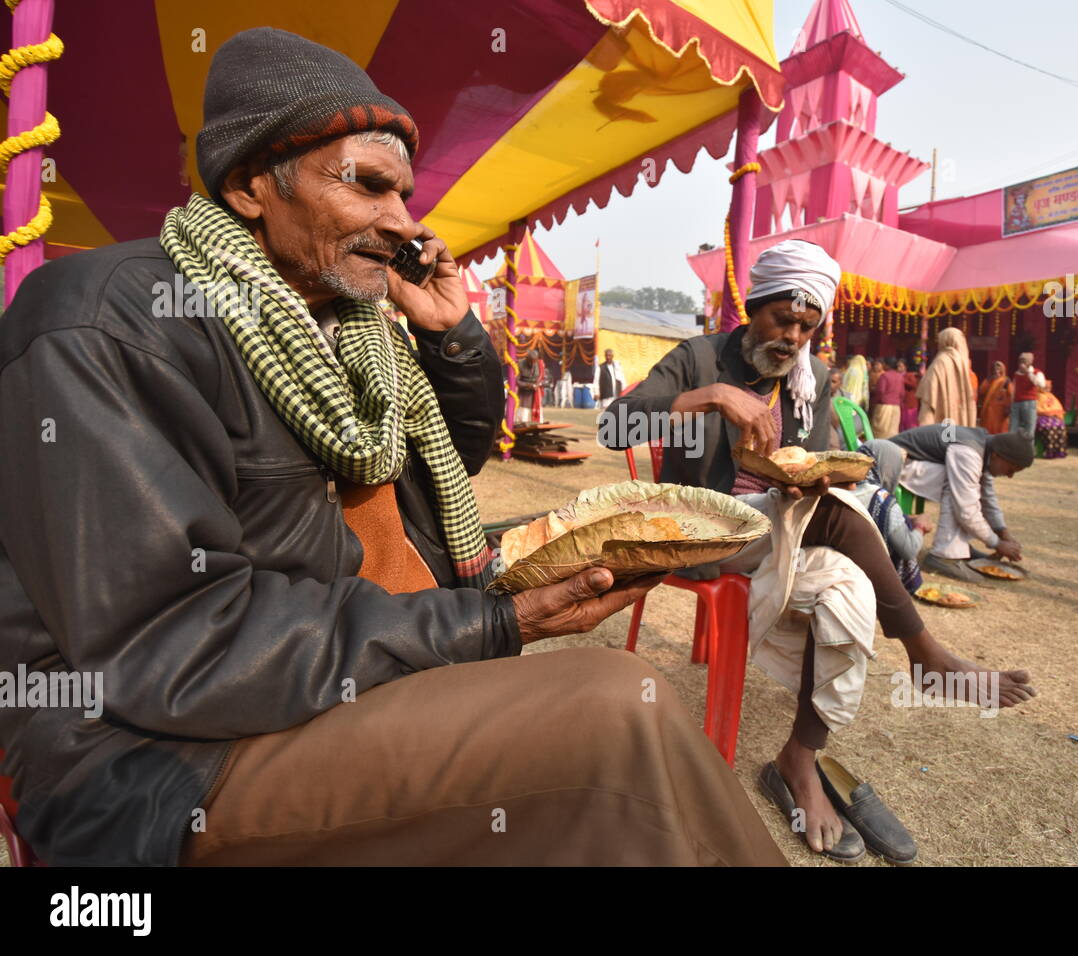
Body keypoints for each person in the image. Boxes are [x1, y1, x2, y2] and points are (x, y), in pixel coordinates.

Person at [0, 27, 788, 867]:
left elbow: (458, 455)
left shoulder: (348, 331)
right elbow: (173, 639)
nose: (402, 223)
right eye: (368, 188)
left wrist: (450, 337)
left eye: (404, 195)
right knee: (613, 711)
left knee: (635, 768)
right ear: (248, 186)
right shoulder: (105, 323)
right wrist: (487, 622)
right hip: (162, 760)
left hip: (330, 674)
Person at [605, 240, 1036, 865]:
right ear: (753, 306)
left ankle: (797, 761)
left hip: (788, 531)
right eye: (783, 319)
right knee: (840, 518)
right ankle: (925, 652)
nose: (792, 337)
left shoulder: (813, 379)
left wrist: (819, 475)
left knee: (851, 588)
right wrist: (711, 398)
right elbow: (613, 425)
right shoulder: (699, 358)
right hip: (704, 528)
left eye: (808, 327)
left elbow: (819, 463)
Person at [890, 425, 1035, 584]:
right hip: (896, 463)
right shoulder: (968, 452)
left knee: (965, 485)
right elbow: (966, 510)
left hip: (913, 463)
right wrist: (997, 543)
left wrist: (1002, 532)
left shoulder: (985, 446)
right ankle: (943, 555)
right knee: (958, 488)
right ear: (996, 455)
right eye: (1010, 469)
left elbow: (987, 497)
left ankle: (958, 548)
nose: (1010, 476)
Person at [855, 439, 932, 593]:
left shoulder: (842, 485)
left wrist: (904, 518)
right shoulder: (882, 500)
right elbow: (908, 549)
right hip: (868, 581)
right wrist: (920, 527)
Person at [916, 327, 977, 427]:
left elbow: (928, 392)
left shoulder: (940, 362)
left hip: (941, 419)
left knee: (943, 438)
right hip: (958, 419)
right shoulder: (963, 363)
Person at [1010, 352, 1046, 440]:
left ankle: (1028, 451)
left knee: (1029, 428)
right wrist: (1011, 402)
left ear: (1030, 362)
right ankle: (1012, 449)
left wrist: (1028, 373)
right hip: (1016, 403)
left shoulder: (1036, 372)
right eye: (1020, 361)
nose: (1021, 363)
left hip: (1029, 403)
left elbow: (1041, 384)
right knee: (1013, 427)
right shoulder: (1017, 373)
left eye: (1024, 361)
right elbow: (1014, 389)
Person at [870, 358, 906, 439]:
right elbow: (902, 393)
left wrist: (875, 404)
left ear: (886, 365)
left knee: (880, 432)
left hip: (884, 406)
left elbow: (880, 392)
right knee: (893, 432)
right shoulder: (900, 377)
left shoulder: (884, 376)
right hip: (896, 407)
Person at [1035, 380, 1068, 459]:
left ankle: (1059, 451)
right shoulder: (1037, 395)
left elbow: (1057, 407)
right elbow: (1037, 409)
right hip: (1041, 417)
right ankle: (1049, 452)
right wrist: (1047, 413)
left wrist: (1054, 414)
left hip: (1053, 417)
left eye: (1048, 387)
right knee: (1048, 427)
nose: (1047, 388)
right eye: (1045, 387)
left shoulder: (1051, 396)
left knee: (1060, 426)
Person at [979, 360, 1012, 434]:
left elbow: (1010, 395)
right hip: (988, 410)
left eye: (998, 368)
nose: (996, 370)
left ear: (1002, 370)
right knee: (987, 430)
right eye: (995, 369)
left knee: (1000, 430)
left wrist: (1008, 408)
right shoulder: (989, 380)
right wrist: (989, 380)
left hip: (1000, 411)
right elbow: (981, 391)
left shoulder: (1006, 381)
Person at [516, 348, 543, 425]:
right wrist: (529, 385)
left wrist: (538, 384)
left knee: (532, 414)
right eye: (531, 361)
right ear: (527, 359)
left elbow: (541, 378)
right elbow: (516, 381)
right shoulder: (520, 364)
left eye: (534, 361)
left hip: (534, 392)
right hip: (523, 393)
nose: (532, 363)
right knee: (523, 413)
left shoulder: (538, 364)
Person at [901, 359, 923, 431]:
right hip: (910, 402)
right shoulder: (918, 376)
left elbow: (913, 384)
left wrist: (902, 379)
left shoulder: (909, 376)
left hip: (910, 403)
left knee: (909, 423)